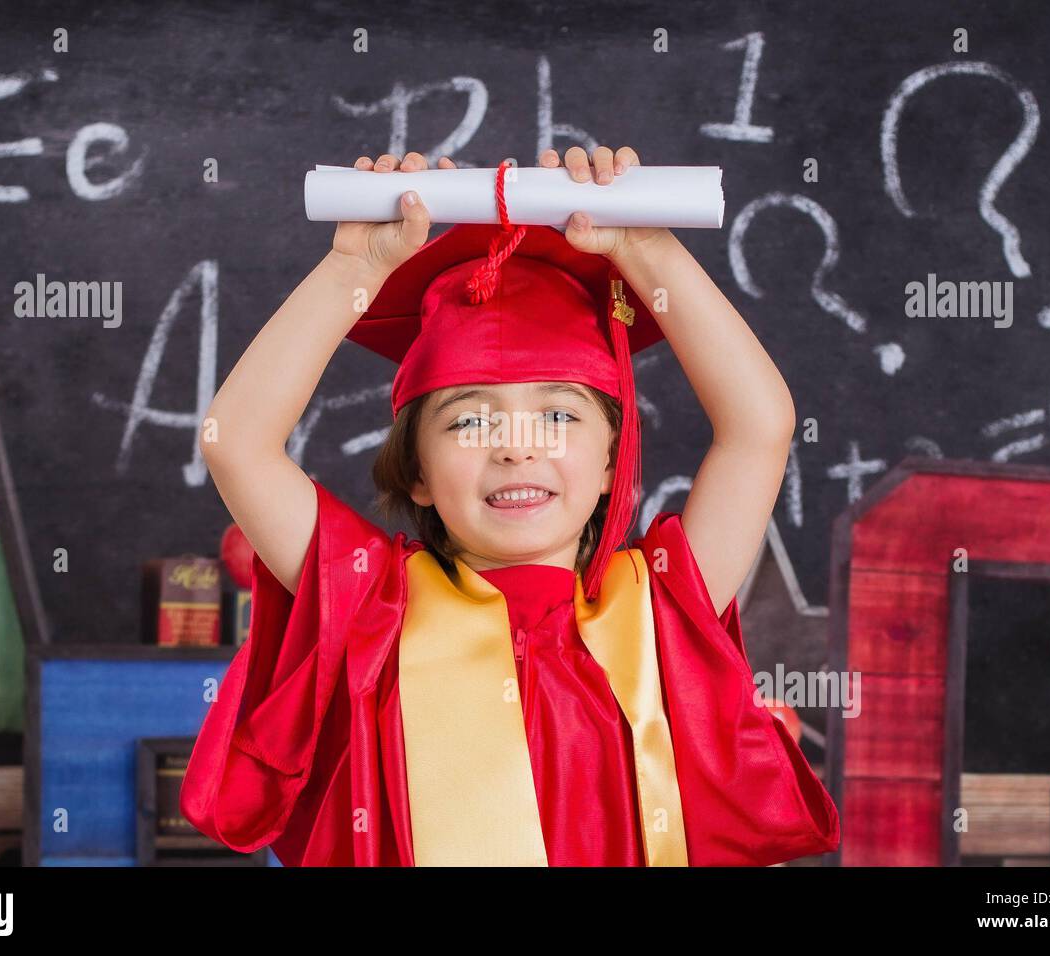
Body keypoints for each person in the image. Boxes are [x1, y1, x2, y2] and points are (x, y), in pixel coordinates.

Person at [180, 146, 840, 866]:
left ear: (609, 465)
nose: (517, 447)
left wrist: (645, 249)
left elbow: (759, 427)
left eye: (559, 416)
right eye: (469, 421)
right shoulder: (372, 606)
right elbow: (235, 442)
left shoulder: (656, 612)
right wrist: (356, 267)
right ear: (419, 473)